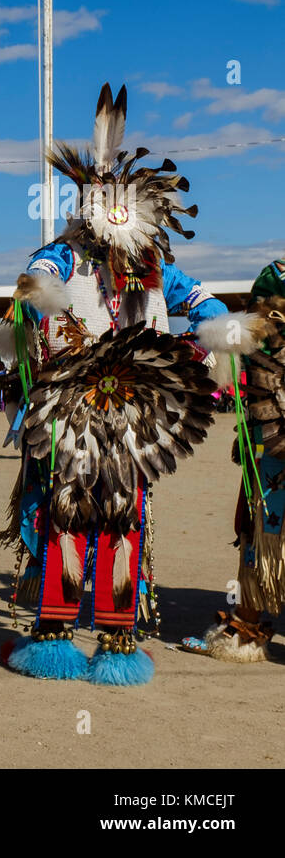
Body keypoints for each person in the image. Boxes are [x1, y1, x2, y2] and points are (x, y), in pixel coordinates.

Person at [0, 83, 236, 685]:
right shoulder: (63, 253)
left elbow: (204, 304)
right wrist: (37, 298)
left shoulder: (155, 266)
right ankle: (61, 638)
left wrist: (218, 336)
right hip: (72, 409)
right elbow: (34, 284)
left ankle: (115, 642)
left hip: (135, 416)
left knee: (123, 514)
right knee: (67, 512)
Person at [181, 259, 285, 662]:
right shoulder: (272, 287)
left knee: (262, 528)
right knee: (261, 528)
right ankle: (245, 627)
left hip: (270, 444)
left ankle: (245, 630)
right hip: (270, 442)